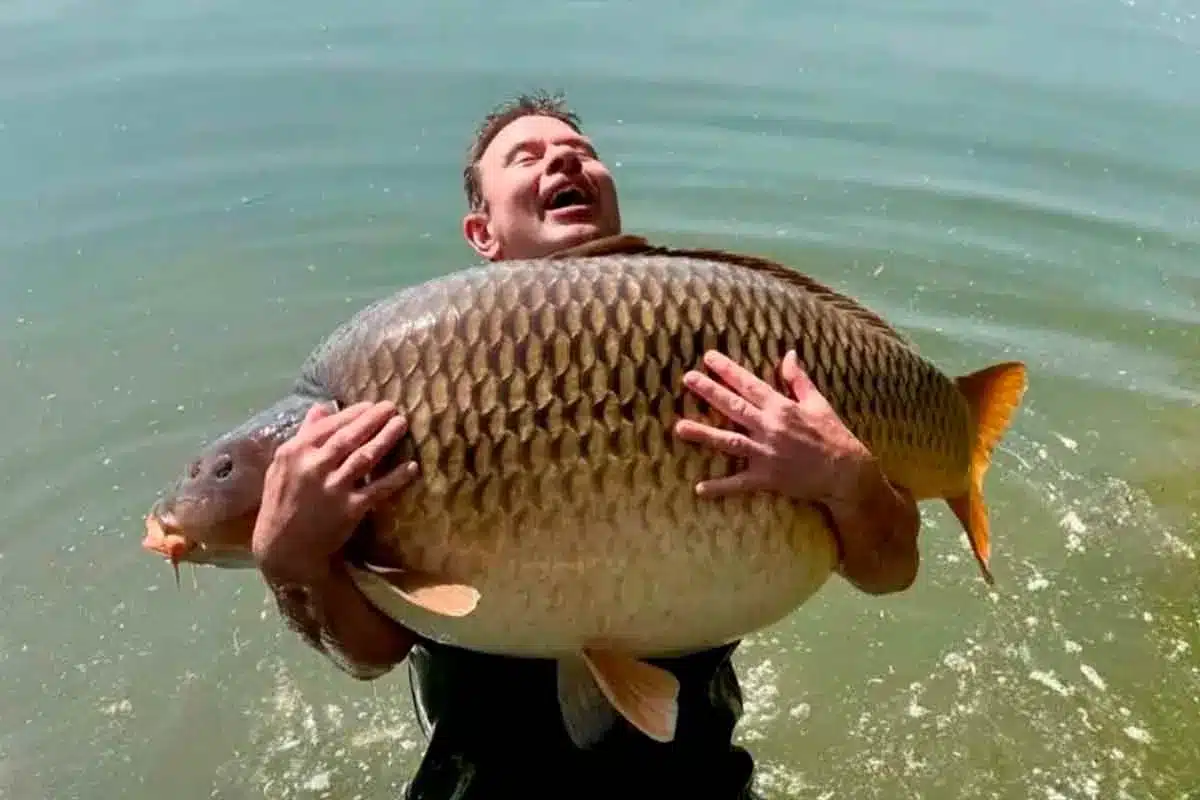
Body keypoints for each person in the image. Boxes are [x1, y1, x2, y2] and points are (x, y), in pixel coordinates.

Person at [251, 92, 922, 799]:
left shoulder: (729, 341)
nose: (565, 157)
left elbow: (889, 570)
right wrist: (293, 563)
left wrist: (844, 477)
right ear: (483, 233)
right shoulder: (418, 377)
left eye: (581, 152)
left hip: (697, 779)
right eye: (527, 155)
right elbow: (372, 653)